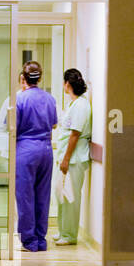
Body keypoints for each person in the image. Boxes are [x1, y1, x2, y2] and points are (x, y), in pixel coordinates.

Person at [15, 61, 57, 252]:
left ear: (23, 78)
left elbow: (12, 126)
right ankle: (41, 240)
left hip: (26, 149)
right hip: (46, 150)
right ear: (40, 78)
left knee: (25, 196)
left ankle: (29, 241)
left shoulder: (20, 99)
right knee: (43, 195)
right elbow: (54, 124)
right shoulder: (50, 99)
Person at [54, 67, 92, 246]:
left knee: (71, 197)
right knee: (61, 195)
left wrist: (66, 159)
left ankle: (70, 235)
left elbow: (75, 134)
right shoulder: (73, 103)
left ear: (67, 84)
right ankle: (62, 230)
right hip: (66, 156)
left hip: (75, 158)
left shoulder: (82, 105)